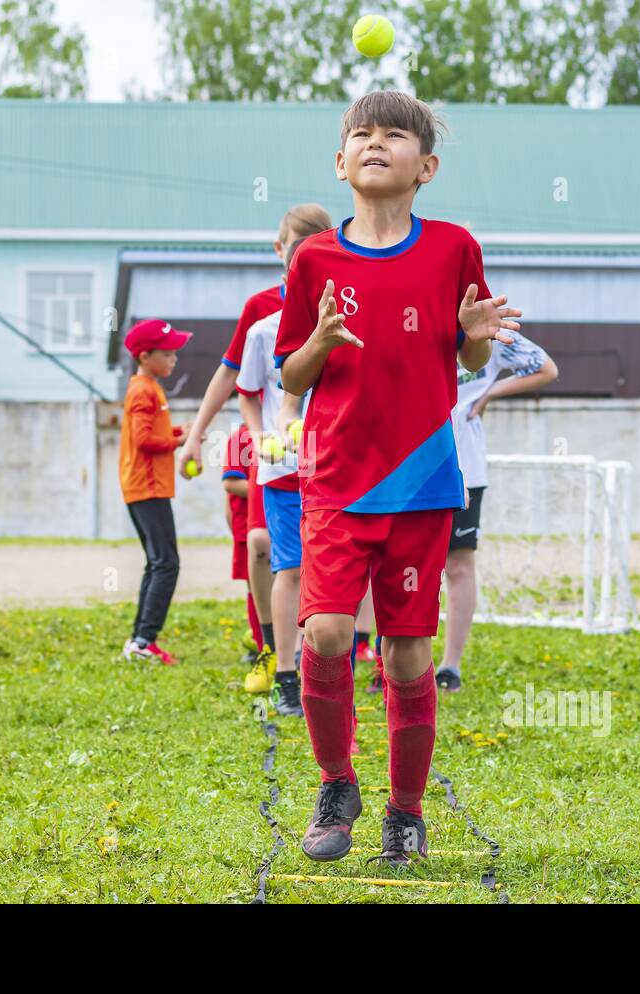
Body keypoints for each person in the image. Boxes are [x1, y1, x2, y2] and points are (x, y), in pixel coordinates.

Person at [274, 90, 520, 865]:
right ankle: (336, 784)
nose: (376, 144)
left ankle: (406, 814)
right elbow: (291, 371)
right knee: (325, 631)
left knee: (409, 653)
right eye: (361, 135)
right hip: (337, 479)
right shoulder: (315, 258)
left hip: (421, 482)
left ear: (427, 167)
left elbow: (469, 354)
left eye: (394, 136)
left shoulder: (453, 248)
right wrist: (316, 340)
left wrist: (473, 339)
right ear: (340, 162)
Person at [177, 205, 334, 685]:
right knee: (263, 544)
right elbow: (234, 376)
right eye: (293, 248)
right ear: (278, 249)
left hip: (328, 455)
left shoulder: (341, 303)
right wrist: (197, 436)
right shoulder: (262, 313)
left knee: (330, 559)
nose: (300, 257)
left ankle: (342, 651)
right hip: (273, 451)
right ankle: (272, 650)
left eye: (312, 247)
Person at [437, 334, 558, 692]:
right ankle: (392, 659)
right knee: (404, 563)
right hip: (410, 462)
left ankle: (450, 666)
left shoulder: (486, 328)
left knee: (457, 564)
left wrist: (489, 392)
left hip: (466, 466)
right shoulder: (417, 311)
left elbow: (546, 369)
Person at [237, 234, 314, 716]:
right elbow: (245, 389)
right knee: (290, 568)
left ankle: (333, 668)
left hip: (343, 469)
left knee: (342, 573)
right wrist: (262, 434)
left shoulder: (350, 322)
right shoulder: (263, 330)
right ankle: (286, 673)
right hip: (285, 468)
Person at [119, 319, 195, 665]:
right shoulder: (143, 390)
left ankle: (140, 640)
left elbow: (154, 429)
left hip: (146, 487)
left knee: (157, 563)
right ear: (146, 356)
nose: (174, 359)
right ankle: (144, 641)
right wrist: (182, 440)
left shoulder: (148, 386)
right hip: (147, 487)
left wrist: (182, 429)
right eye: (168, 354)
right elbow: (144, 440)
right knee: (167, 563)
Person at [221, 423, 272, 672]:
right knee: (256, 588)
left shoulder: (283, 434)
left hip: (279, 524)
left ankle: (281, 644)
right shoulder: (240, 437)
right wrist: (269, 486)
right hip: (249, 527)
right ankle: (263, 644)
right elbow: (230, 483)